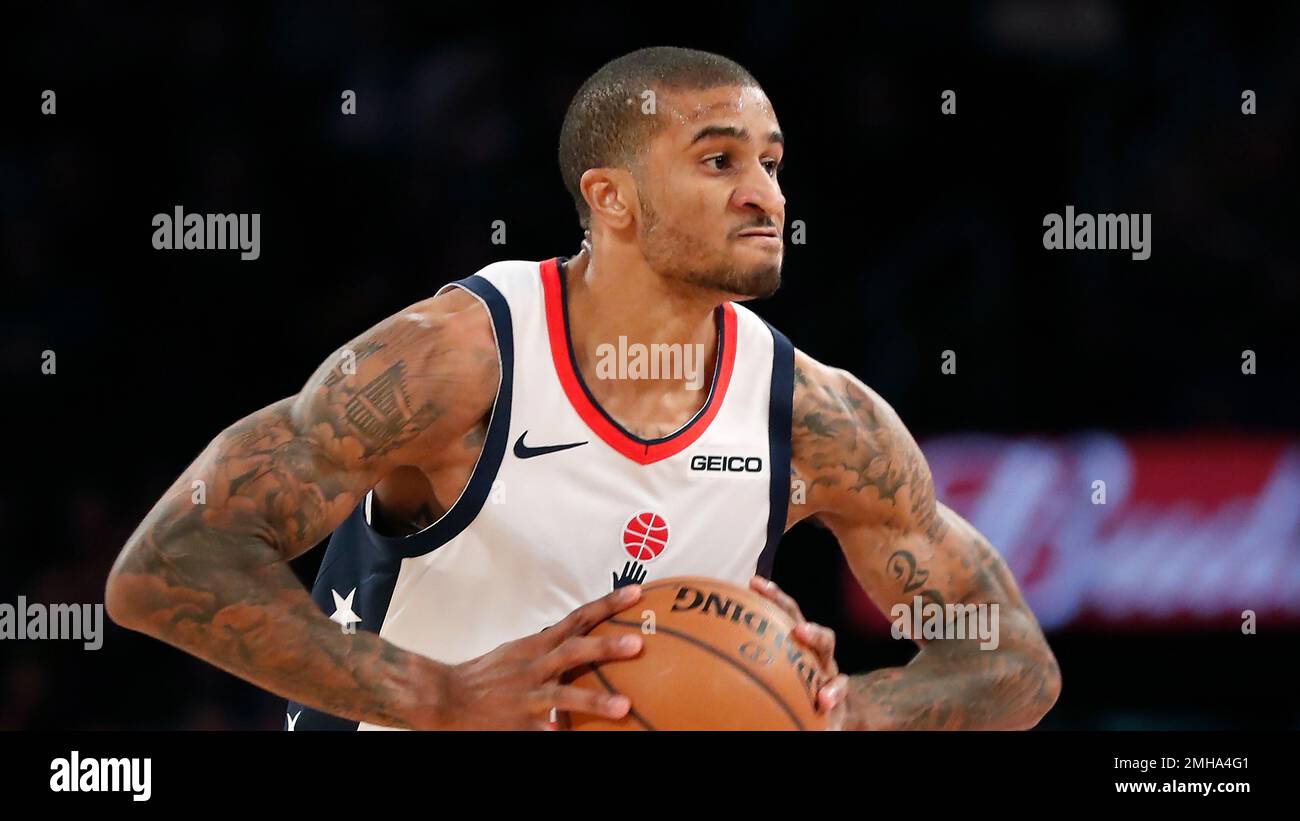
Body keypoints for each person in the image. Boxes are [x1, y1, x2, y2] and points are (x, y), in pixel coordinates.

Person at [106, 46, 1060, 731]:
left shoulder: (816, 417)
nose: (765, 193)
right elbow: (169, 561)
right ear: (612, 197)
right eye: (720, 159)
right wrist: (436, 695)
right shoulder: (458, 360)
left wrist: (849, 711)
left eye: (771, 163)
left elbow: (1012, 662)